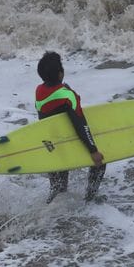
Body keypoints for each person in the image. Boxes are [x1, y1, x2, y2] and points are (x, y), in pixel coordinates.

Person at [35, 51, 105, 203]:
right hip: (66, 140)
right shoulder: (67, 95)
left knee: (58, 187)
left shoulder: (39, 91)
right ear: (60, 74)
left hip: (50, 143)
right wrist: (93, 150)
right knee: (100, 163)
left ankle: (52, 202)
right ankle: (90, 198)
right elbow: (79, 122)